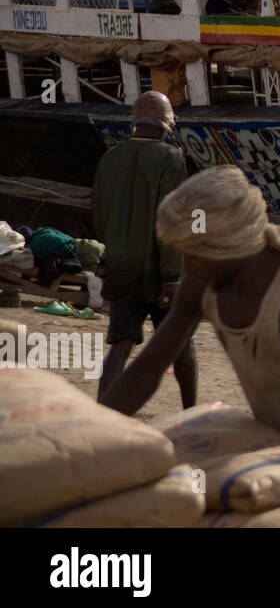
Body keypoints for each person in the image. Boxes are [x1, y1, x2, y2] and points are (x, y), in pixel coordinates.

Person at [102, 166, 280, 442]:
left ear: (231, 246)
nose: (188, 265)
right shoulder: (199, 284)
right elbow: (147, 371)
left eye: (197, 255)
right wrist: (95, 431)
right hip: (278, 442)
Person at [94, 91, 195, 408]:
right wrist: (172, 276)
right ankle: (191, 414)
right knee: (181, 345)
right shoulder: (171, 158)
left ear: (134, 121)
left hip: (121, 266)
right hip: (159, 270)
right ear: (167, 122)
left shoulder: (110, 157)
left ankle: (102, 413)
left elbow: (98, 215)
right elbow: (171, 221)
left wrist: (117, 250)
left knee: (121, 343)